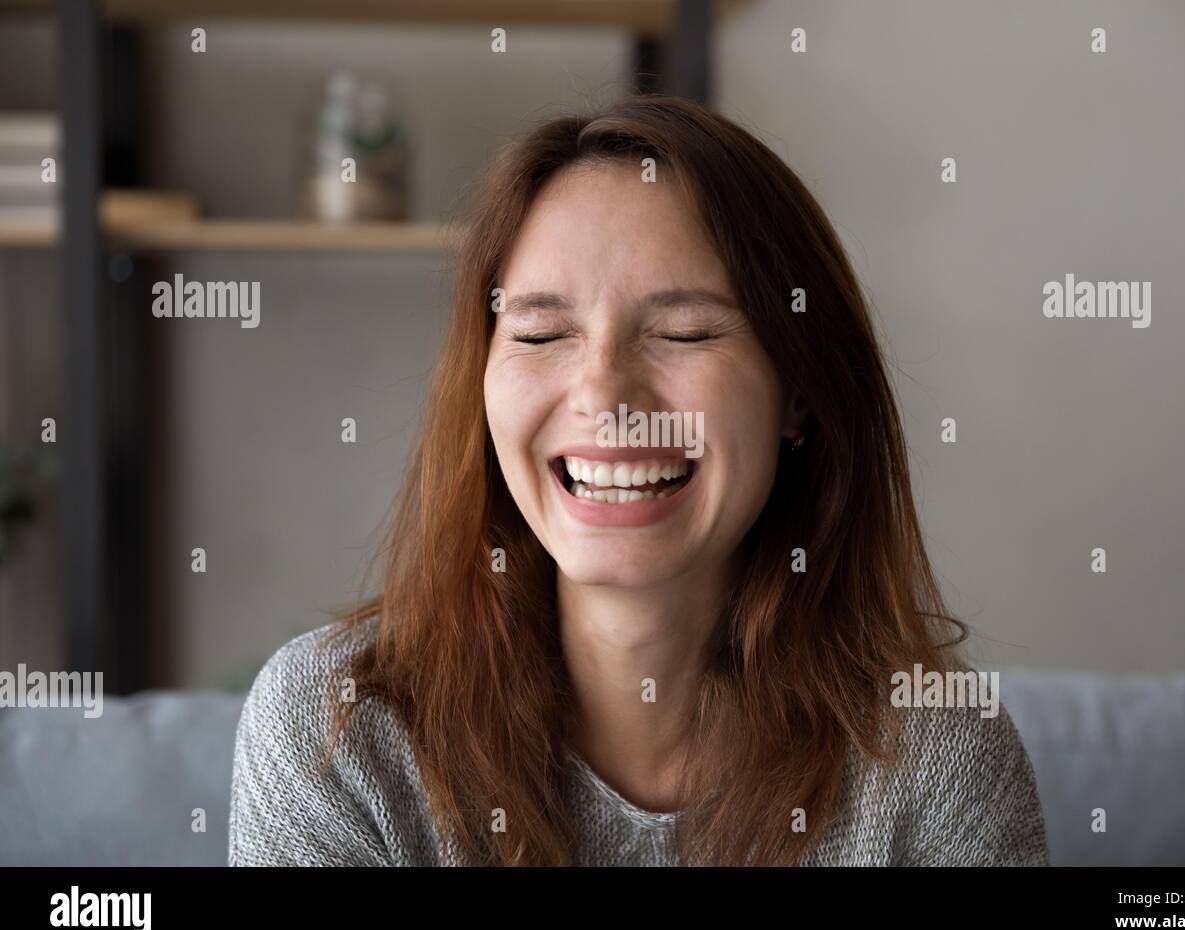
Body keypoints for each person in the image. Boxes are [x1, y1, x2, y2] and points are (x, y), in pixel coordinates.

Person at [228, 94, 1049, 867]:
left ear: (798, 393)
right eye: (542, 333)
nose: (604, 396)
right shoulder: (333, 726)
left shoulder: (935, 756)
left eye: (685, 333)